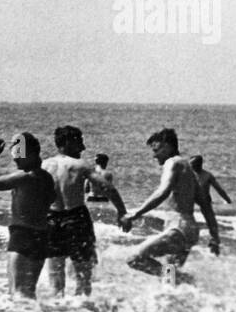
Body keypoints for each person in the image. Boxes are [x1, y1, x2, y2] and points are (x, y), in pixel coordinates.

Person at [120, 128, 220, 278]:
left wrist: (135, 214)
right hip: (190, 230)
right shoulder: (188, 168)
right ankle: (185, 291)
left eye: (156, 149)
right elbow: (205, 204)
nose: (154, 155)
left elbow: (163, 191)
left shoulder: (172, 163)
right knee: (169, 280)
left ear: (167, 146)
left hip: (178, 228)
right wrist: (214, 236)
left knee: (134, 259)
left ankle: (185, 280)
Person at [42, 126, 127, 296]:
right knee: (83, 278)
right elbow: (106, 186)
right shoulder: (80, 165)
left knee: (55, 280)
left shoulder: (44, 165)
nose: (83, 148)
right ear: (67, 142)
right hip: (76, 219)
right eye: (79, 142)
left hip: (50, 220)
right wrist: (122, 212)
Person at [0, 133, 55, 298]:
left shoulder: (25, 176)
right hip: (41, 236)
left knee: (16, 291)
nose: (15, 159)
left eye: (19, 154)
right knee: (28, 291)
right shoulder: (46, 177)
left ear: (33, 154)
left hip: (23, 235)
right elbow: (52, 199)